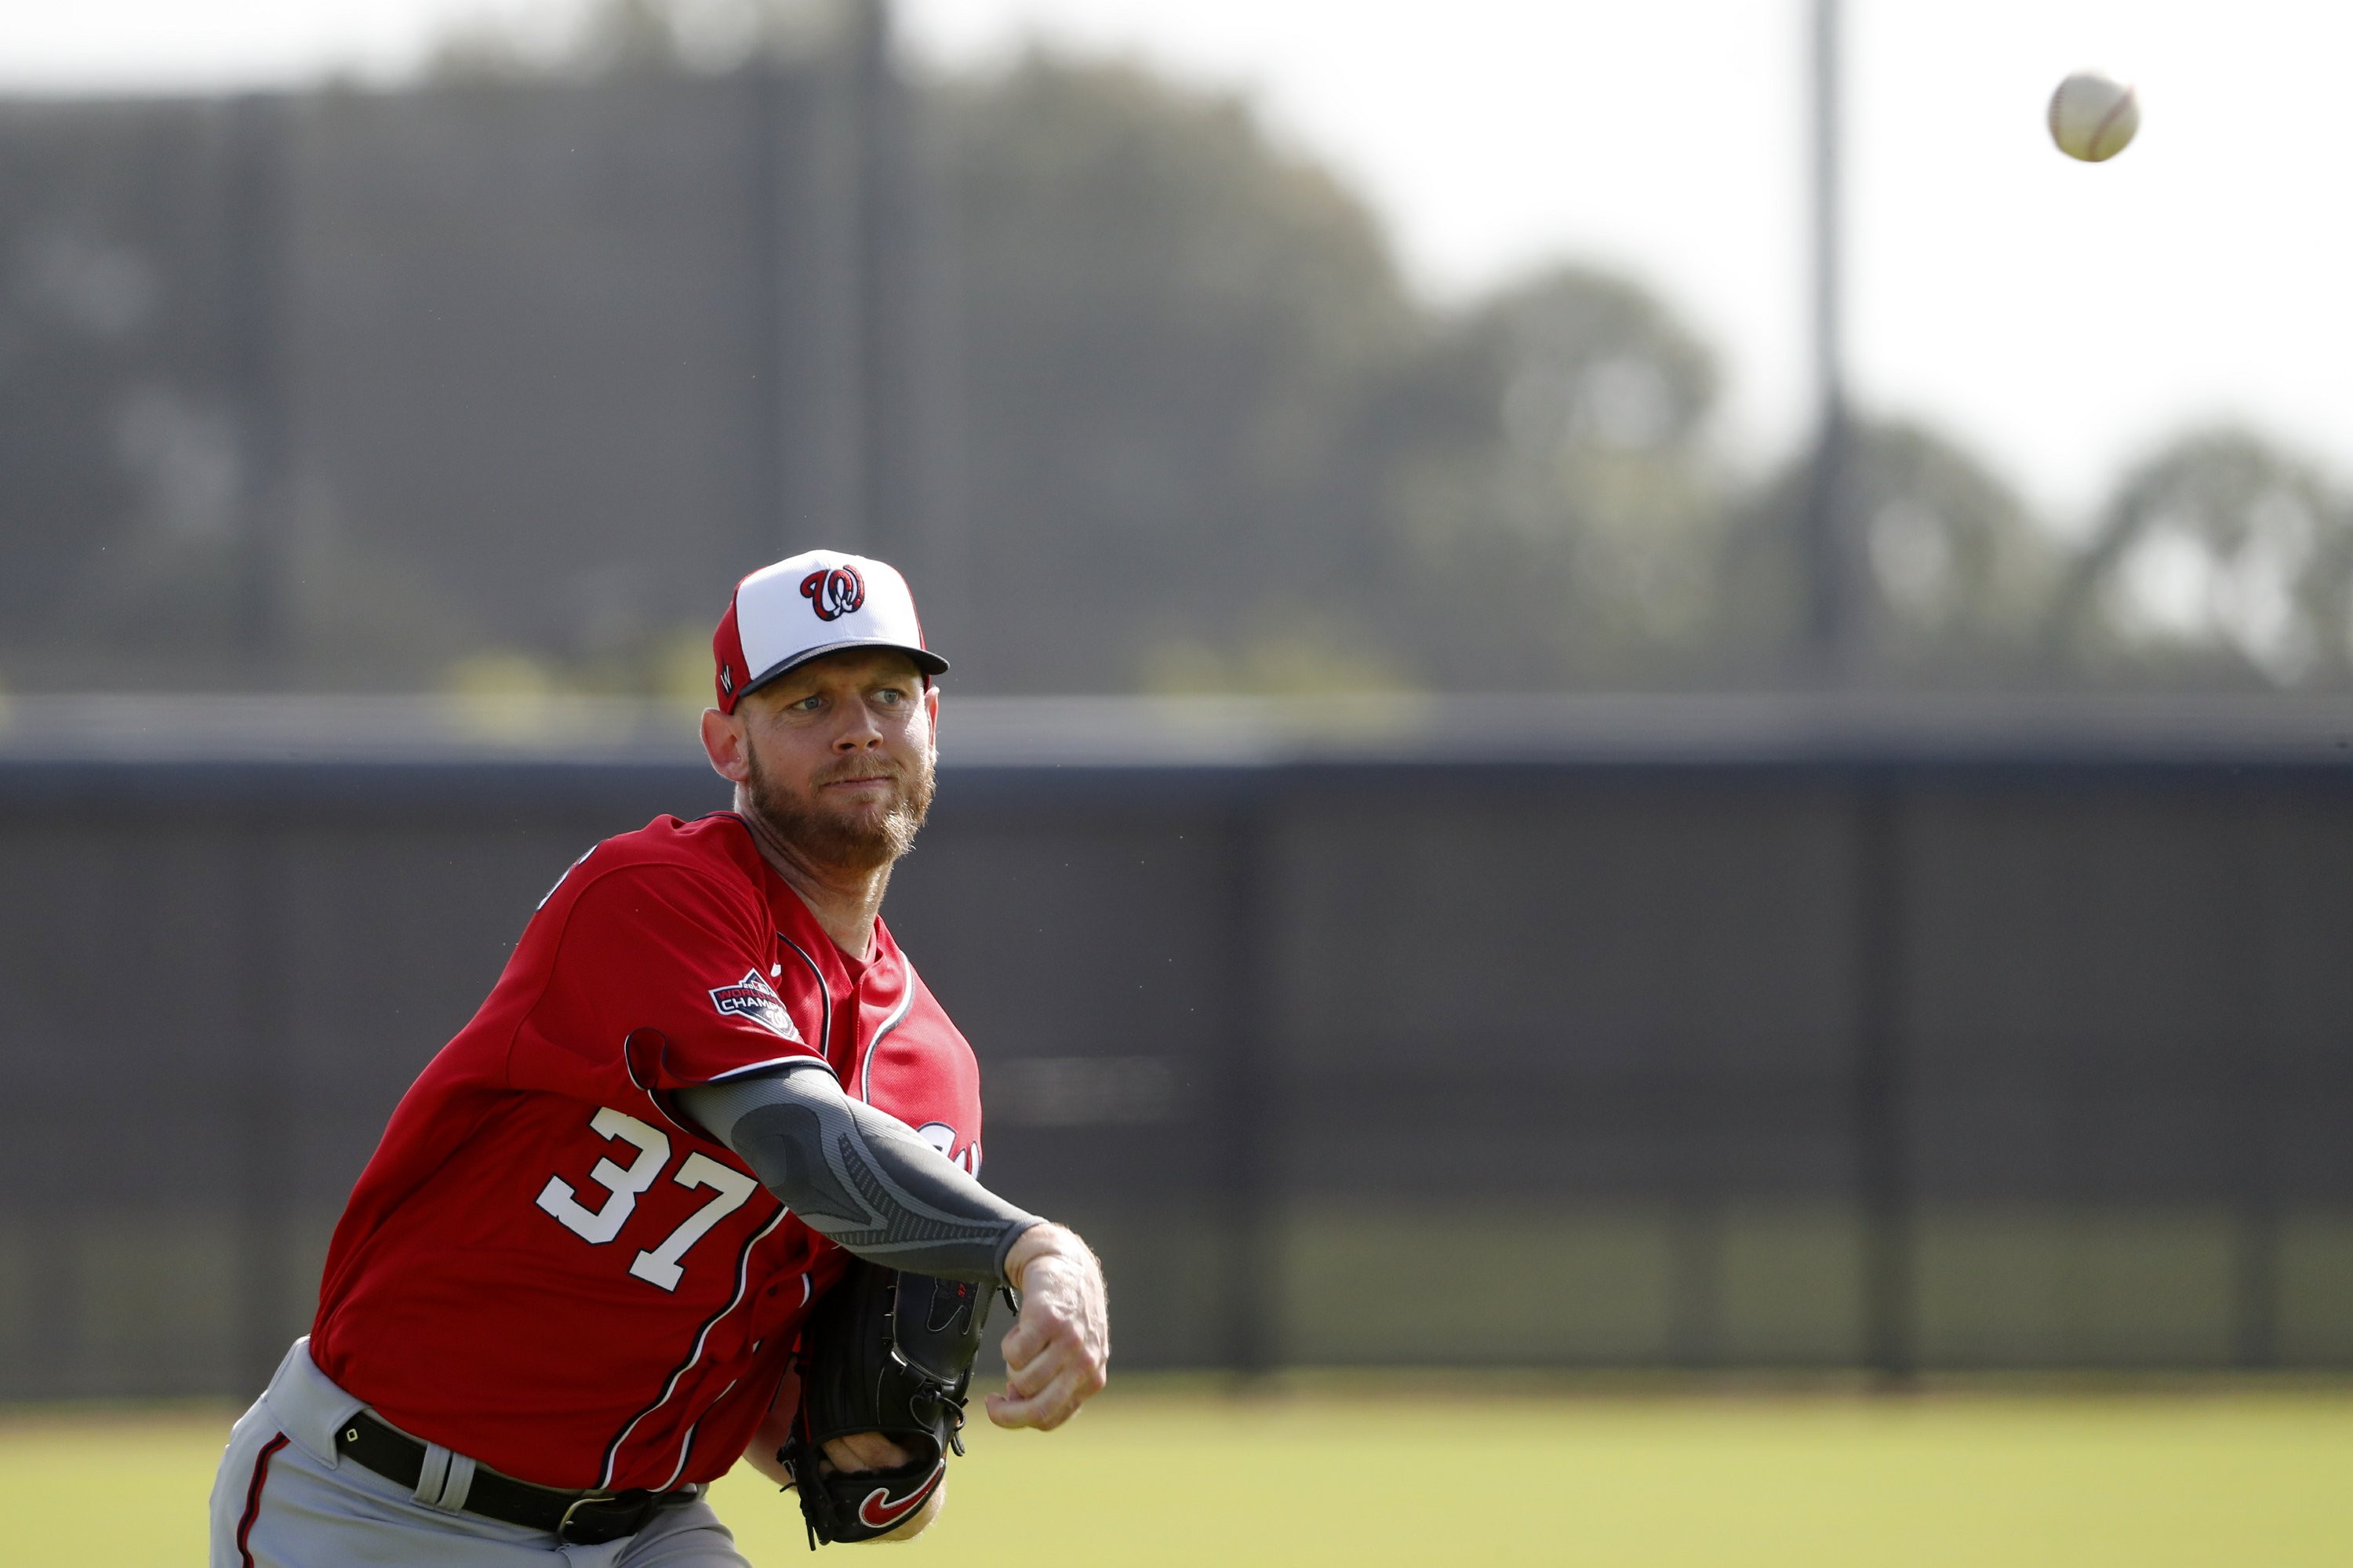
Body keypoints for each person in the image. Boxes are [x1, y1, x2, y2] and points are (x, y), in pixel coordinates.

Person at [210, 550, 1111, 1567]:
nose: (858, 728)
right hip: (385, 1506)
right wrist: (1037, 1249)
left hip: (646, 1527)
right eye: (808, 700)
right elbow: (800, 1141)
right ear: (728, 742)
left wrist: (873, 1465)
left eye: (888, 695)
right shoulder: (650, 894)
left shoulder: (937, 1074)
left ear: (931, 723)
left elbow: (789, 1398)